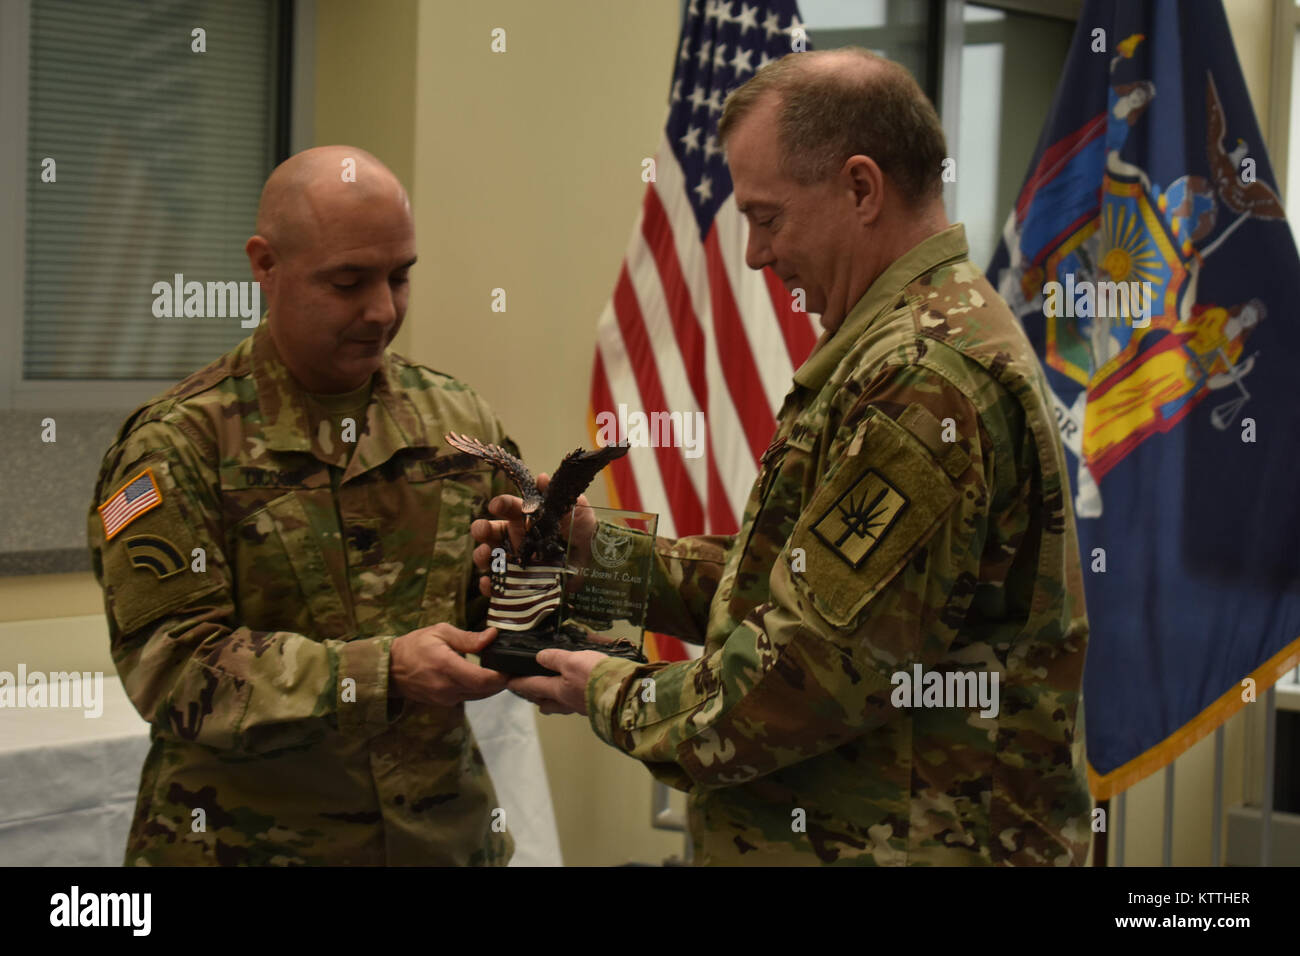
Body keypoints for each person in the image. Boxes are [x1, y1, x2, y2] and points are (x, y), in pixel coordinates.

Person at [491, 49, 1094, 865]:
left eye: (767, 217)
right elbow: (785, 592)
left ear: (860, 188)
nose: (754, 254)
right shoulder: (893, 348)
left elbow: (804, 673)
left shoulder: (923, 375)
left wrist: (602, 688)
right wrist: (598, 550)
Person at [88, 146, 516, 866]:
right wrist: (384, 671)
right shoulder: (178, 446)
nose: (382, 311)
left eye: (400, 276)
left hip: (439, 842)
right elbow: (177, 675)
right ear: (265, 264)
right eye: (348, 282)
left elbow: (501, 601)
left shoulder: (456, 420)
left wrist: (544, 575)